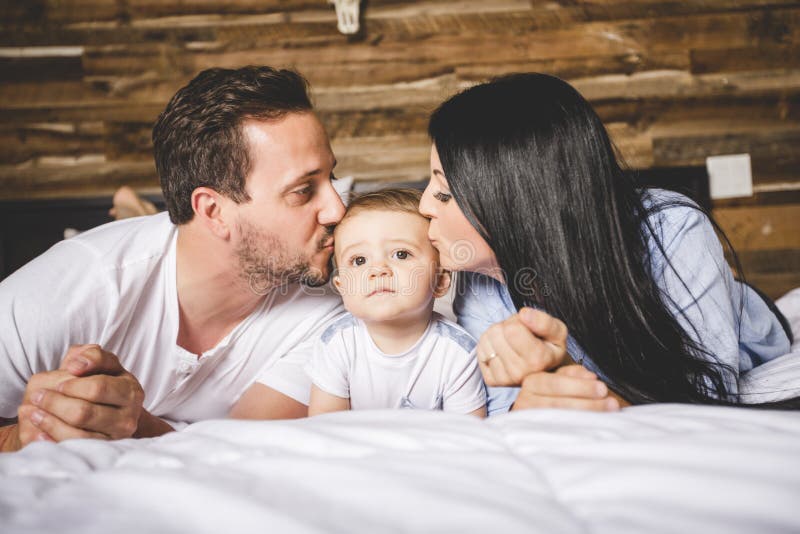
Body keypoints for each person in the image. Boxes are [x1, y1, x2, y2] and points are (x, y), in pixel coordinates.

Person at [0, 66, 349, 452]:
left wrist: (138, 425)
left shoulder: (328, 320)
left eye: (332, 179)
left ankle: (135, 209)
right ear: (214, 211)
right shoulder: (63, 292)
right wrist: (20, 436)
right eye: (303, 190)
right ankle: (132, 211)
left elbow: (240, 459)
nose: (337, 209)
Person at [418, 73, 795, 416]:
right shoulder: (479, 283)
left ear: (513, 202)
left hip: (749, 326)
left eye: (446, 194)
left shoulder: (673, 228)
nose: (423, 206)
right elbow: (505, 407)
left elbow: (708, 395)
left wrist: (568, 378)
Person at [307, 189, 486, 416]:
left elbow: (470, 439)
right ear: (342, 288)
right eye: (359, 260)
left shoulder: (459, 353)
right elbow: (325, 432)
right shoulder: (336, 343)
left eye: (401, 254)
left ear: (440, 281)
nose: (378, 270)